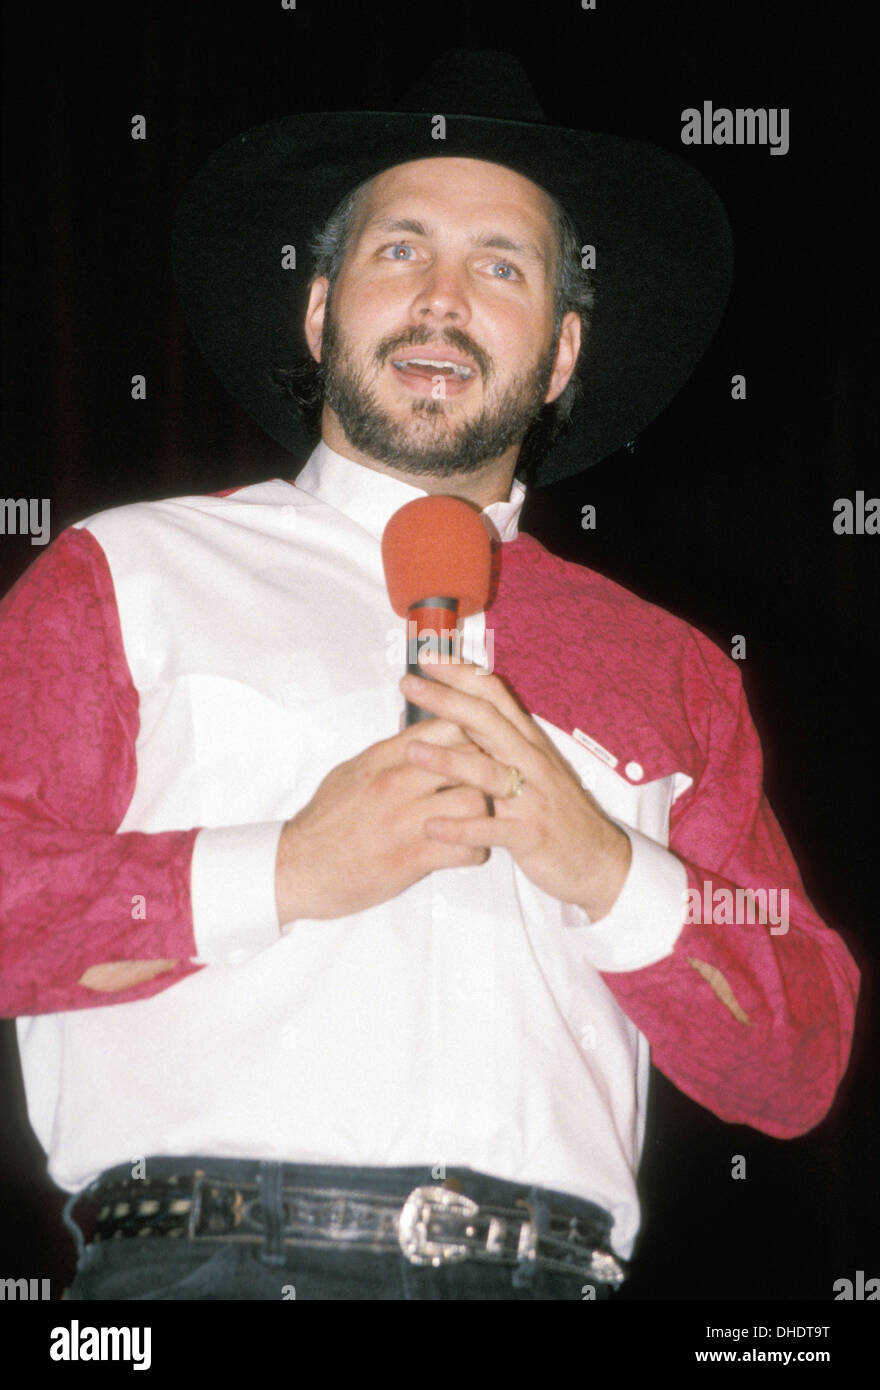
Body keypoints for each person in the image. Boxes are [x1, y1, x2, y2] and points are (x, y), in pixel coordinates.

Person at [0, 51, 859, 1301]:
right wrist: (280, 868)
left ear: (561, 354)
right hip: (200, 1269)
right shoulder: (122, 572)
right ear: (318, 309)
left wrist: (607, 870)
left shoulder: (666, 666)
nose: (443, 300)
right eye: (401, 251)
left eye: (500, 267)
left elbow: (802, 1049)